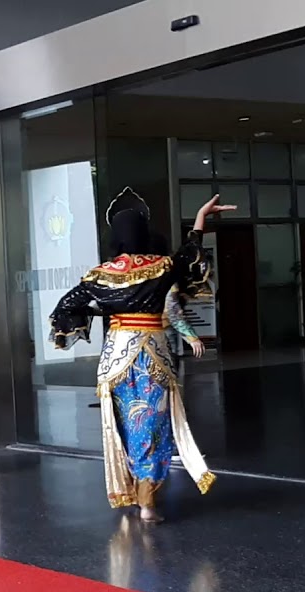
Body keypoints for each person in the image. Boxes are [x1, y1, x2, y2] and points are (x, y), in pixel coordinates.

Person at [50, 188, 231, 523]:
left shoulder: (100, 274)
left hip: (116, 357)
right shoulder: (161, 267)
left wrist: (105, 311)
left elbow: (66, 306)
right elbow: (190, 256)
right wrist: (200, 219)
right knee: (151, 424)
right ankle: (147, 500)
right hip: (153, 354)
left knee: (123, 426)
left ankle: (132, 491)